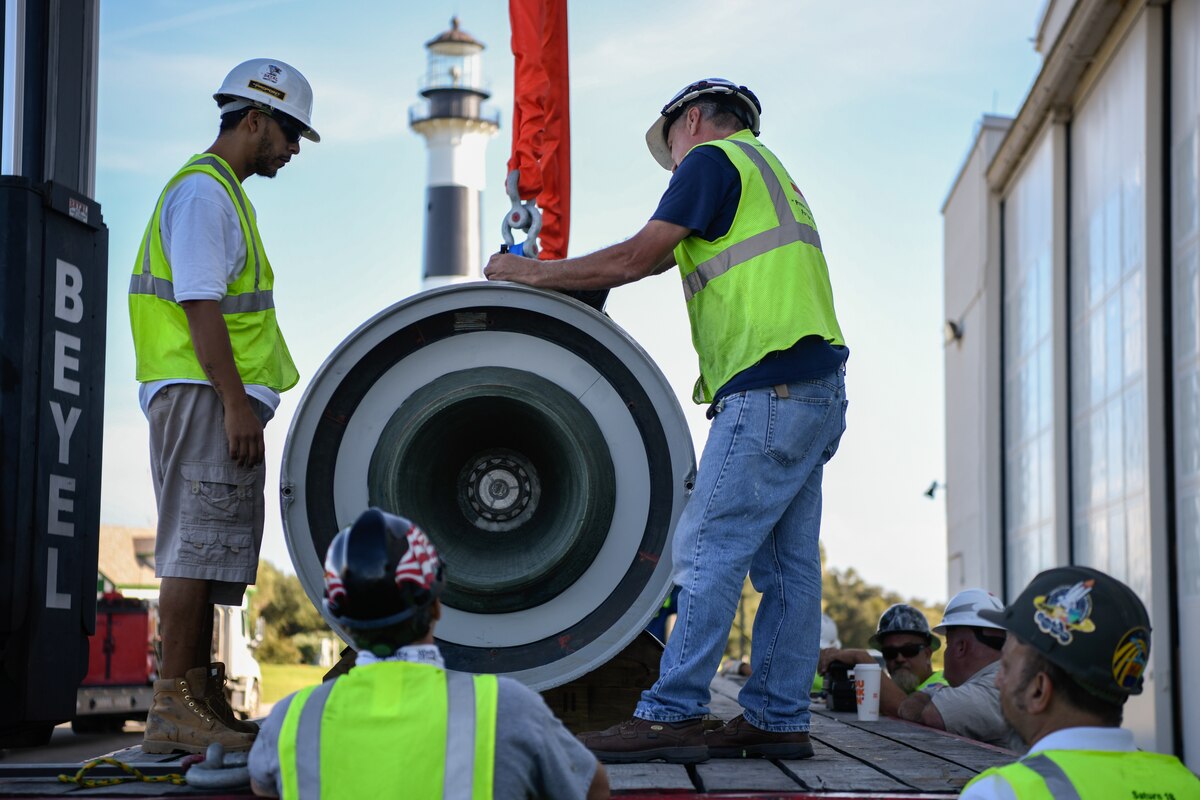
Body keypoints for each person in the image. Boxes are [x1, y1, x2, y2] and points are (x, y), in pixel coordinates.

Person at [486, 78, 849, 763]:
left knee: (707, 546)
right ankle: (776, 716)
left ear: (691, 120)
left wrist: (528, 276)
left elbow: (637, 257)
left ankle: (672, 712)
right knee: (788, 567)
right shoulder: (770, 174)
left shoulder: (712, 162)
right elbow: (638, 267)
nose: (674, 165)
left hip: (766, 389)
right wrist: (580, 282)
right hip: (817, 389)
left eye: (671, 148)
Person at [129, 58, 319, 754]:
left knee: (209, 550)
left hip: (214, 394)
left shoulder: (222, 195)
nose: (293, 149)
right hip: (205, 394)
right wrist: (236, 404)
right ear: (253, 119)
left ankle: (198, 699)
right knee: (190, 550)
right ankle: (173, 710)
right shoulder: (205, 196)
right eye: (289, 132)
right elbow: (200, 305)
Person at [247, 508, 608, 799]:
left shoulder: (290, 720)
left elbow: (263, 787)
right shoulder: (508, 708)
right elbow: (592, 789)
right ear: (435, 605)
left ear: (342, 620)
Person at [961, 566, 1200, 799]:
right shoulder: (1188, 784)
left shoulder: (1000, 792)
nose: (997, 681)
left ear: (1039, 690)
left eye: (1005, 666)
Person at [896, 589, 1024, 752]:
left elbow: (926, 715)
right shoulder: (997, 678)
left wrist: (927, 697)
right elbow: (906, 706)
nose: (945, 652)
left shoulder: (993, 688)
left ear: (961, 647)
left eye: (948, 644)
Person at [817, 604, 948, 716]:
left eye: (909, 650)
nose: (899, 658)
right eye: (890, 653)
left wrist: (863, 659)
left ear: (927, 654)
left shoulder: (946, 684)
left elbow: (907, 711)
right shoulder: (885, 692)